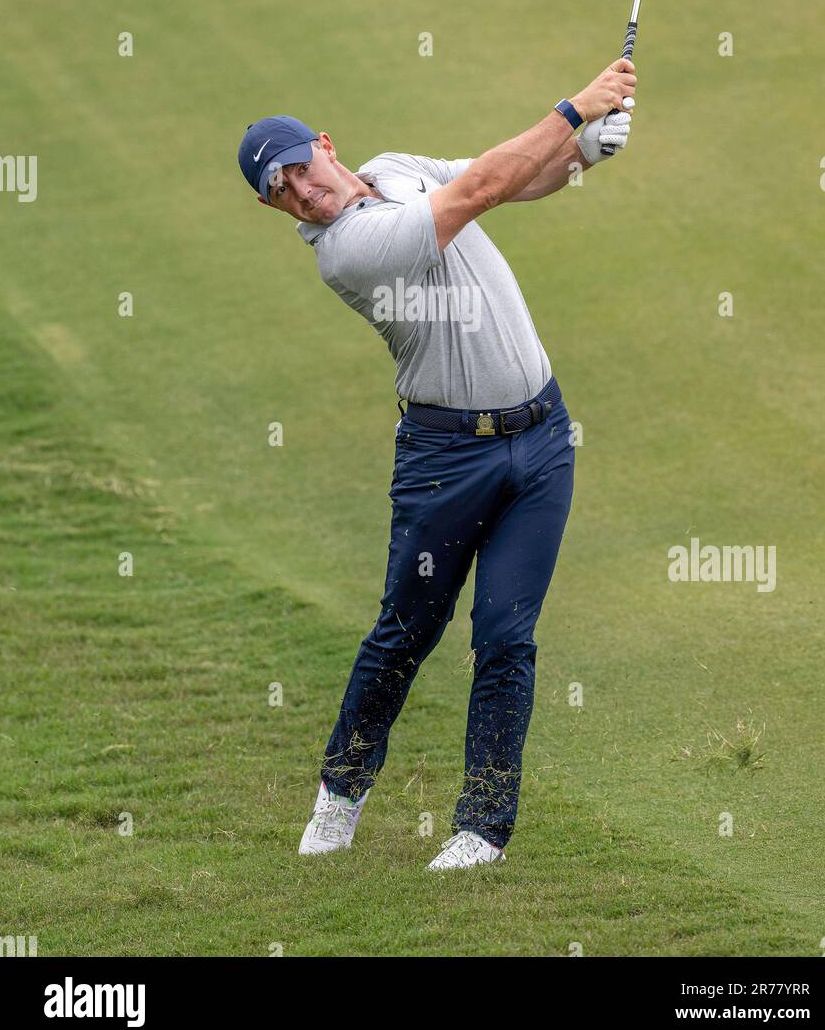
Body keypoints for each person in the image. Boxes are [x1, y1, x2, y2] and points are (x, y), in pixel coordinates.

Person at [237, 59, 636, 869]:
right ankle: (341, 793)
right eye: (281, 191)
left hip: (543, 440)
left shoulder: (392, 172)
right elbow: (475, 193)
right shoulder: (346, 250)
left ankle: (482, 828)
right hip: (445, 459)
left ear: (324, 146)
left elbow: (513, 178)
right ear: (274, 205)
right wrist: (572, 108)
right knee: (404, 634)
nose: (302, 191)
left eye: (300, 169)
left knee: (505, 636)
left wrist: (584, 153)